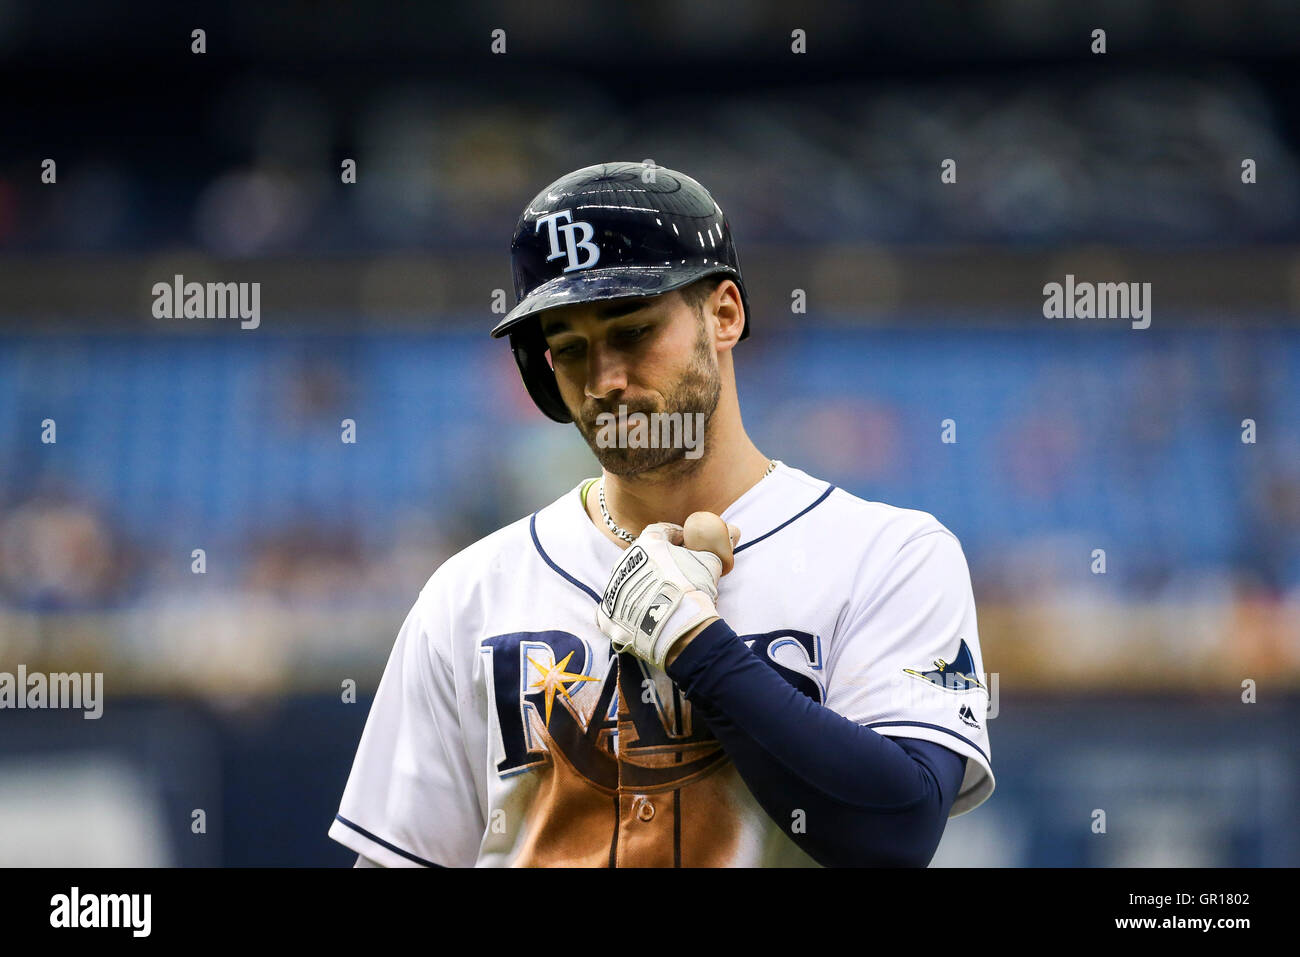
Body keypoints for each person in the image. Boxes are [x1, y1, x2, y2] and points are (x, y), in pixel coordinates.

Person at [329, 162, 994, 867]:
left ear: (726, 314)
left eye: (634, 330)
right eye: (571, 348)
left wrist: (696, 646)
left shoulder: (889, 554)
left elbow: (894, 833)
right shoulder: (469, 593)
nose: (606, 379)